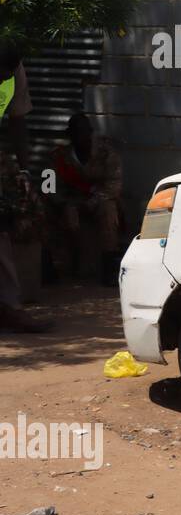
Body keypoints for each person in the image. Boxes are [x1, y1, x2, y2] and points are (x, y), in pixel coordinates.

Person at [0, 44, 53, 333]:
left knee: (5, 226)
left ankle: (10, 307)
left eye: (7, 75)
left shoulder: (14, 72)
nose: (2, 81)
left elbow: (18, 121)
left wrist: (23, 170)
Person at [50, 113, 123, 286]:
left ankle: (109, 266)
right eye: (76, 133)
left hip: (99, 200)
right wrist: (63, 202)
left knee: (108, 211)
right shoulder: (58, 157)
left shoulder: (106, 154)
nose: (81, 137)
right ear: (70, 136)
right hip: (72, 201)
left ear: (90, 133)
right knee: (65, 216)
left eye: (84, 132)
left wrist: (93, 201)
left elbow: (114, 184)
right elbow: (49, 186)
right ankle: (66, 265)